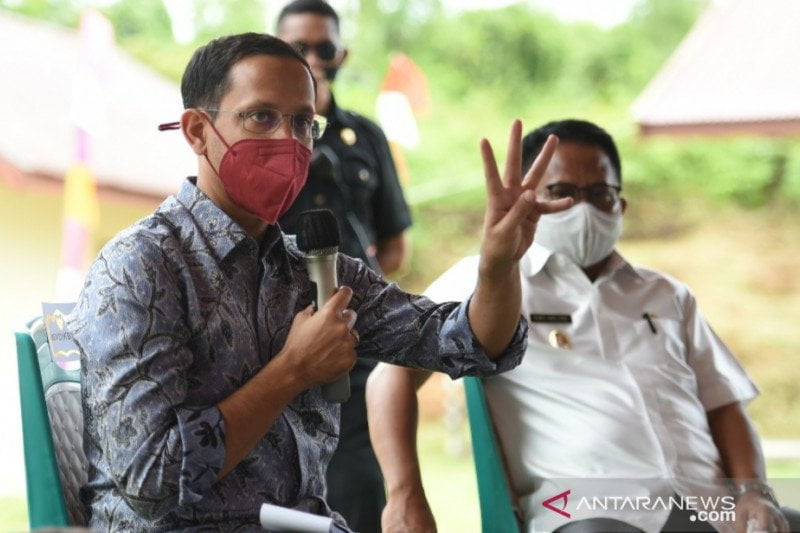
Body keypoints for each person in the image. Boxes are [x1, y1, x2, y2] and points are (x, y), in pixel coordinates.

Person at [66, 32, 571, 531]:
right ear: (198, 131)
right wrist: (293, 369)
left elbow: (470, 343)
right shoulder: (141, 267)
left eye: (304, 122)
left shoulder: (313, 268)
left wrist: (498, 266)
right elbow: (153, 480)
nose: (288, 141)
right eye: (262, 116)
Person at [367, 119, 799, 533]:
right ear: (530, 198)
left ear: (621, 204)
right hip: (585, 509)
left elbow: (724, 405)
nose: (583, 208)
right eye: (561, 192)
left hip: (710, 506)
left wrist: (753, 492)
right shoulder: (492, 278)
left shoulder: (667, 295)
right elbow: (391, 375)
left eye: (600, 193)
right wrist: (405, 495)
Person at [275, 2, 412, 530]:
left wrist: (362, 285)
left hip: (354, 337)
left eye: (323, 48)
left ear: (341, 55)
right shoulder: (260, 139)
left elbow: (395, 244)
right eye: (297, 48)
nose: (312, 58)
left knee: (358, 488)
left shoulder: (366, 137)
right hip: (273, 339)